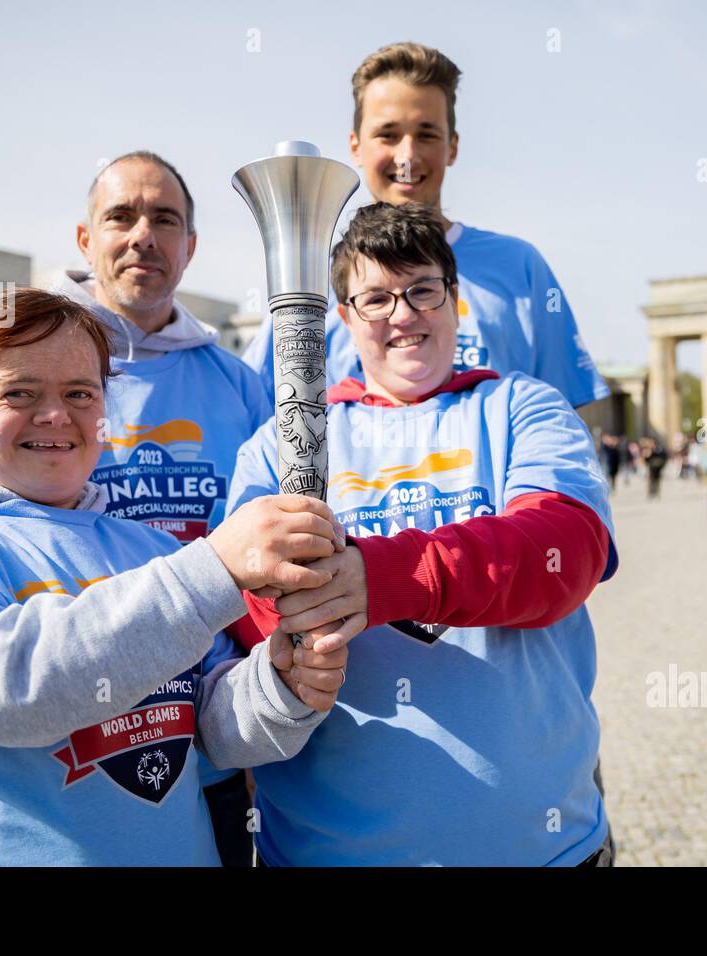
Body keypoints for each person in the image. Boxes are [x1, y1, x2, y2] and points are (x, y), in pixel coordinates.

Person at [0, 289, 349, 866]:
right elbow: (2, 690)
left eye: (80, 393)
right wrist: (211, 568)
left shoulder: (151, 550)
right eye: (19, 392)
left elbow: (208, 732)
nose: (56, 415)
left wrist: (280, 688)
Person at [227, 202, 618, 866]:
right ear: (345, 318)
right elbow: (244, 609)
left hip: (541, 848)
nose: (403, 315)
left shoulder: (524, 407)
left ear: (455, 300)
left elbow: (563, 557)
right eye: (375, 298)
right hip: (331, 853)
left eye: (422, 291)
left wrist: (374, 579)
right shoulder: (278, 447)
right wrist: (284, 606)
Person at [0, 151, 272, 866]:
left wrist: (256, 709)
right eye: (120, 216)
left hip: (200, 727)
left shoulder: (240, 386)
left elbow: (269, 552)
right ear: (85, 238)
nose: (143, 235)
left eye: (166, 219)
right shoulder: (22, 359)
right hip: (56, 724)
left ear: (190, 247)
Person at [244, 41, 609, 412]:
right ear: (356, 146)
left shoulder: (520, 267)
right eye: (388, 134)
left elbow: (564, 413)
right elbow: (254, 403)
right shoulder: (311, 281)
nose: (407, 156)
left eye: (427, 134)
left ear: (452, 146)